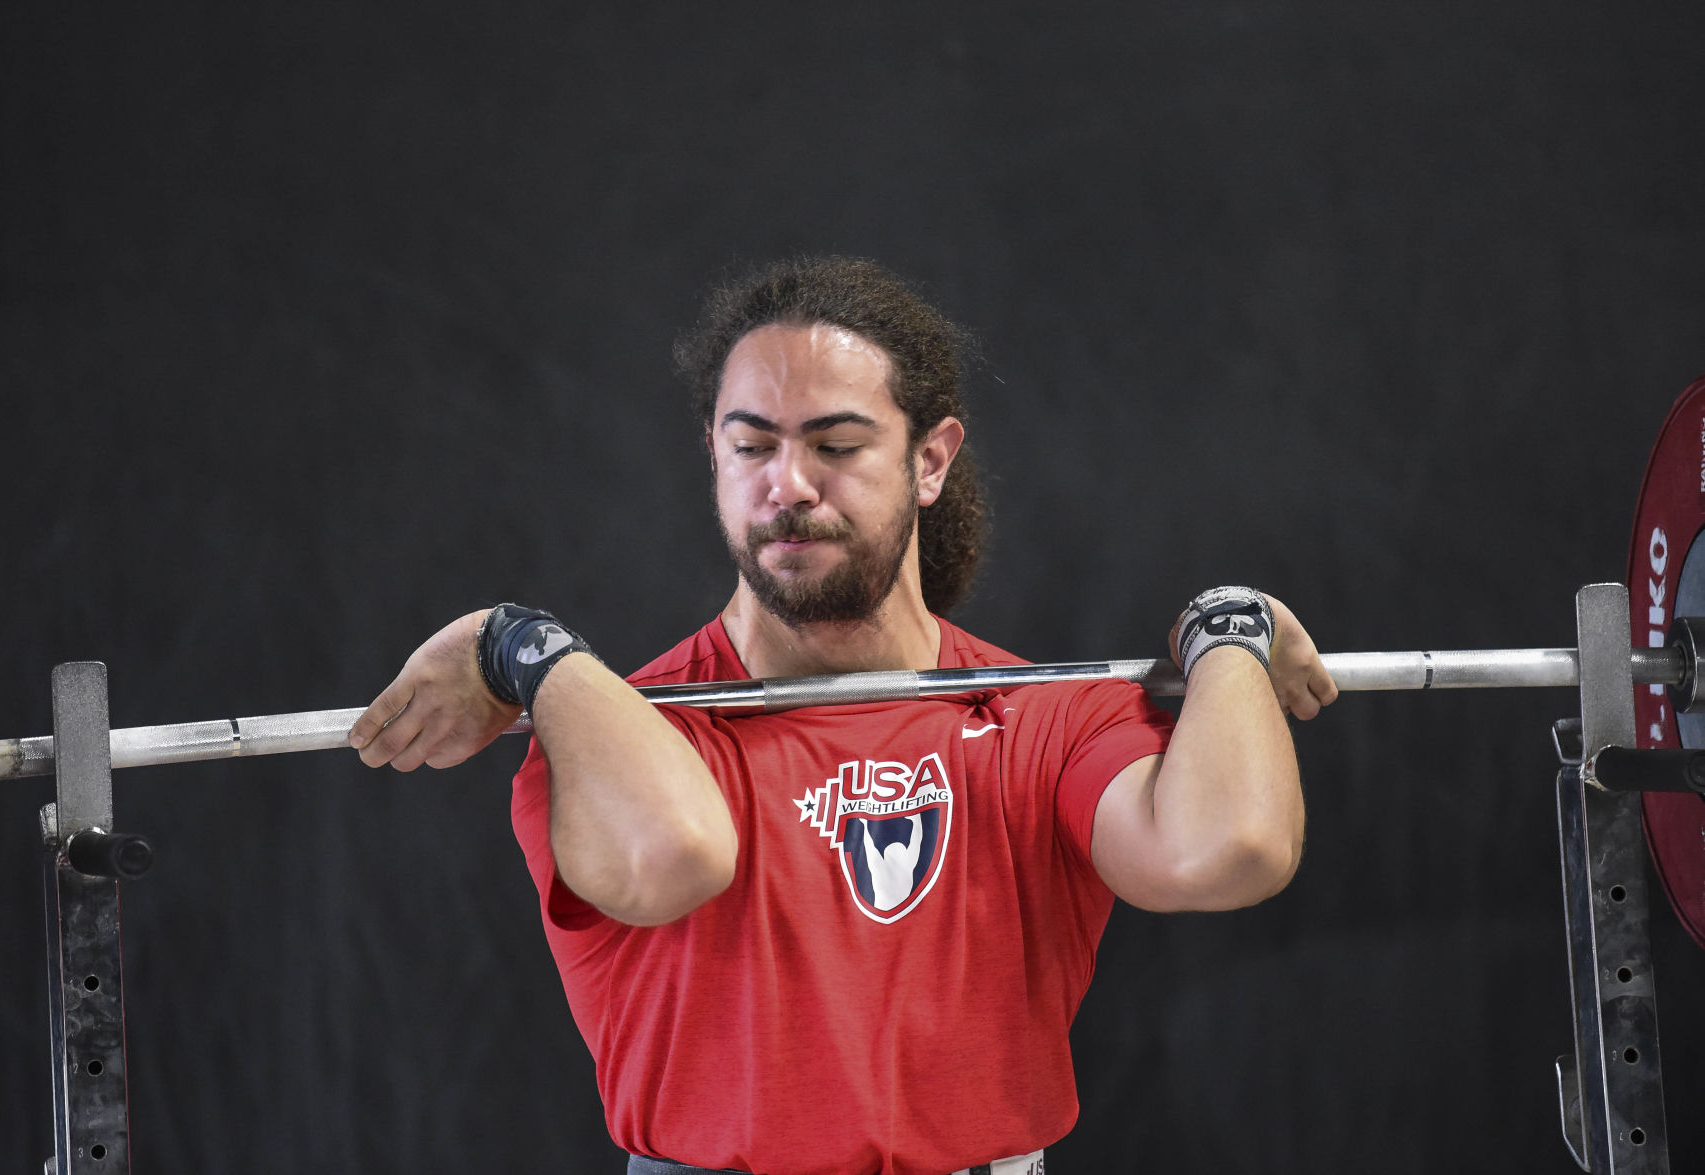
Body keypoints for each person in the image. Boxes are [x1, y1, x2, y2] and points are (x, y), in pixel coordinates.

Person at [348, 257, 1338, 1175]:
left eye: (836, 443)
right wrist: (519, 645)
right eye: (752, 446)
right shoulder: (612, 731)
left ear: (930, 458)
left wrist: (1226, 631)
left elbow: (1227, 847)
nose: (789, 484)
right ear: (714, 458)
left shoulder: (1045, 713)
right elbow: (670, 856)